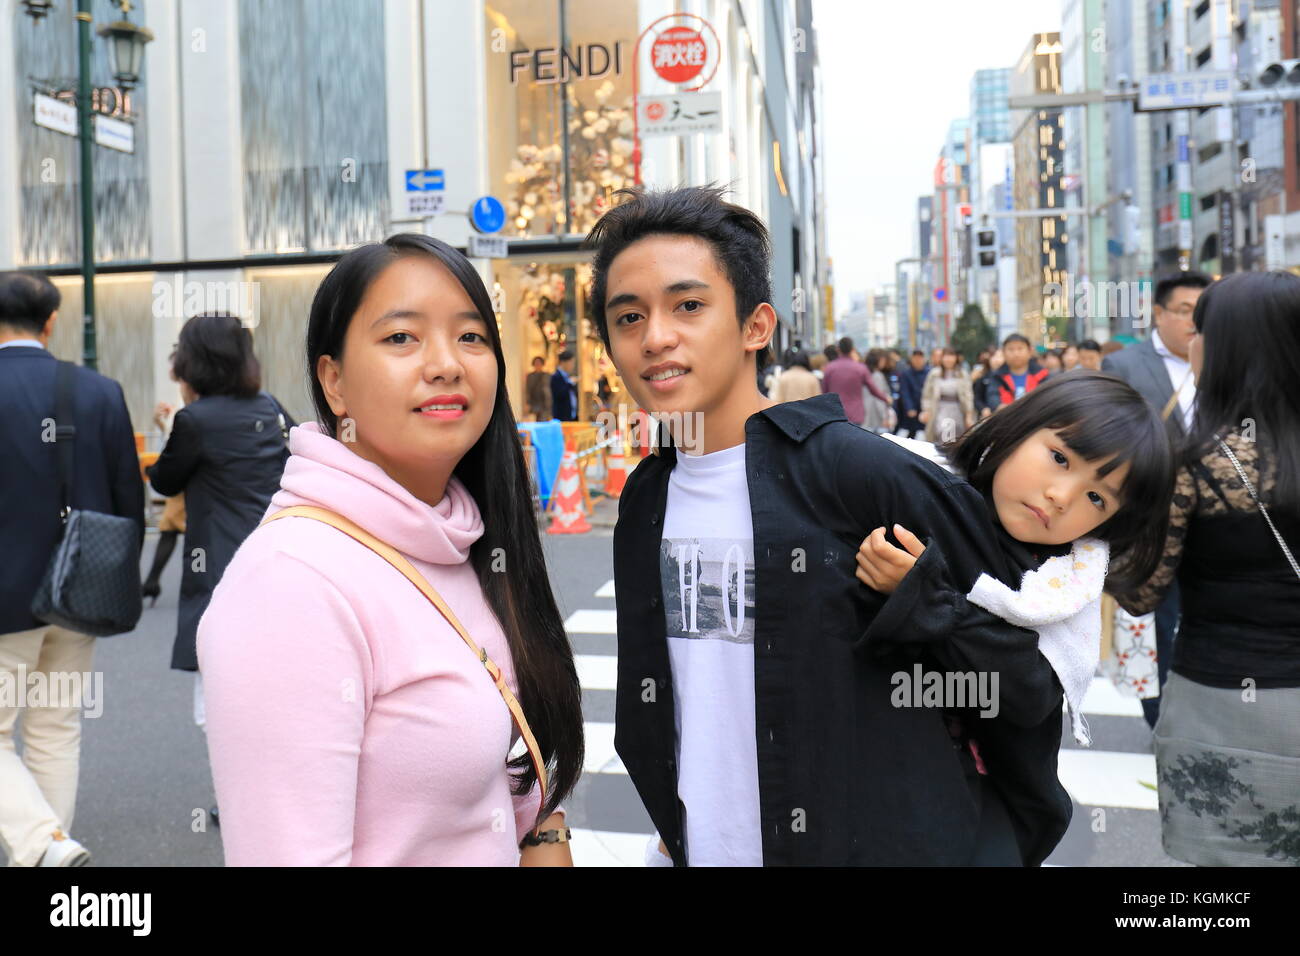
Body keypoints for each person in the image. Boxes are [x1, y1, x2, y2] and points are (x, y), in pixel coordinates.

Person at [588, 185, 1079, 866]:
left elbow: (1028, 670)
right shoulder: (646, 499)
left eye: (689, 306)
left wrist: (923, 603)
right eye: (629, 317)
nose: (657, 337)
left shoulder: (856, 470)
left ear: (756, 326)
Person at [197, 234, 583, 866]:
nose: (446, 364)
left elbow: (506, 773)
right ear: (335, 382)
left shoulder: (458, 536)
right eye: (402, 337)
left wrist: (545, 833)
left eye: (471, 337)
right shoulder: (292, 583)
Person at [861, 372, 1174, 749]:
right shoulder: (909, 479)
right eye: (1060, 458)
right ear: (1019, 427)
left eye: (1097, 498)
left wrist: (923, 598)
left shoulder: (1068, 578)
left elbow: (1029, 694)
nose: (1061, 496)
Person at [1113, 271, 1300, 866]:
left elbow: (1142, 592)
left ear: (1226, 349)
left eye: (1200, 332)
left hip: (1227, 702)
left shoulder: (1196, 465)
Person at [0, 272, 144, 867]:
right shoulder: (100, 391)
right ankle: (54, 855)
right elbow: (128, 500)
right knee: (55, 729)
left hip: (4, 603)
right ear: (51, 323)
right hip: (79, 590)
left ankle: (42, 846)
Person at [145, 314, 295, 736]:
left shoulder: (196, 420)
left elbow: (164, 480)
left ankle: (232, 798)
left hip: (219, 565)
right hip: (279, 555)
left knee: (219, 695)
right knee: (273, 682)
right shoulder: (269, 405)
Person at [1102, 270, 1211, 727]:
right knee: (1158, 619)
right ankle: (1162, 719)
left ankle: (1204, 711)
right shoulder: (1125, 366)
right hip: (1153, 521)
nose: (1194, 322)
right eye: (1185, 311)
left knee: (1206, 614)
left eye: (1202, 313)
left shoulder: (1226, 362)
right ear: (1159, 313)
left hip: (1215, 520)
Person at [821, 336, 891, 428]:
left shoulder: (830, 368)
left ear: (838, 350)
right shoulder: (860, 368)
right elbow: (873, 389)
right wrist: (886, 398)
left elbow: (824, 391)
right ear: (852, 349)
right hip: (856, 414)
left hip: (835, 413)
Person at [921, 347, 974, 443]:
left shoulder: (962, 374)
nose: (948, 359)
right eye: (946, 356)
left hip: (957, 408)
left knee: (956, 437)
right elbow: (927, 395)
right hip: (939, 408)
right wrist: (926, 410)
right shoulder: (934, 374)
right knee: (940, 433)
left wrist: (969, 415)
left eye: (951, 356)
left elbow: (968, 395)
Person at [987, 334, 1049, 409]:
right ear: (1003, 353)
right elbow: (992, 396)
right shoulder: (997, 376)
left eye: (1020, 349)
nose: (1016, 354)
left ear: (1030, 352)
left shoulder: (1042, 375)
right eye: (1011, 349)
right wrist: (999, 407)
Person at [896, 349, 929, 438]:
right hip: (910, 410)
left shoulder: (930, 373)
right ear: (911, 359)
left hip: (925, 409)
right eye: (915, 357)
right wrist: (909, 407)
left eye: (920, 357)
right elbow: (904, 392)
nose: (918, 360)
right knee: (904, 432)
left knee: (922, 434)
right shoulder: (905, 374)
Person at [861, 349, 897, 433]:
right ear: (879, 360)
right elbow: (879, 398)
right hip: (875, 418)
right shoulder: (877, 375)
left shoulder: (864, 373)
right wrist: (884, 417)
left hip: (864, 417)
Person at [550, 348, 578, 421]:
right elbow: (559, 394)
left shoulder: (566, 376)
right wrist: (569, 383)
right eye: (571, 362)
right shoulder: (556, 377)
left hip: (571, 415)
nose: (573, 365)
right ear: (563, 362)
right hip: (561, 417)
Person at [524, 355, 550, 421]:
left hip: (544, 402)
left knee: (544, 421)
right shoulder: (530, 376)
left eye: (539, 363)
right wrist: (527, 403)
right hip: (534, 402)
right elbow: (528, 390)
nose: (538, 365)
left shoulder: (547, 375)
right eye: (536, 363)